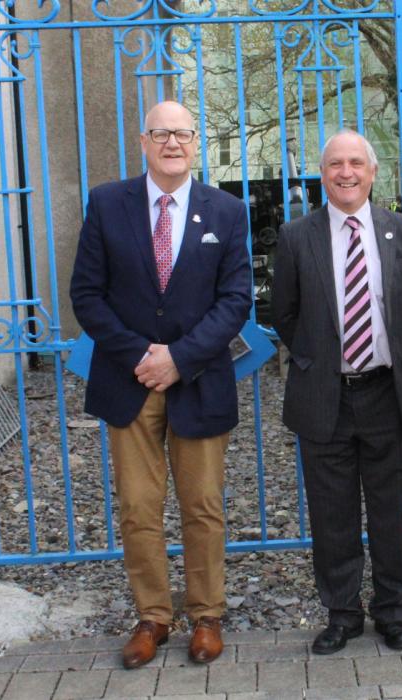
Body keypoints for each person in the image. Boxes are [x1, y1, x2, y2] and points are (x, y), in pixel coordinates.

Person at [69, 101, 251, 668]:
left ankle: (206, 617)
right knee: (138, 506)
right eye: (161, 133)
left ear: (196, 142)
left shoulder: (226, 210)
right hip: (131, 381)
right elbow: (86, 295)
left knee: (201, 504)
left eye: (183, 133)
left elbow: (236, 299)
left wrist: (180, 358)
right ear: (143, 141)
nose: (172, 142)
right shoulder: (107, 204)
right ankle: (152, 617)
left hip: (197, 378)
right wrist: (141, 357)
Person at [270, 129, 402, 654]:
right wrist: (320, 359)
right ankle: (342, 614)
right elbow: (284, 316)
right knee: (332, 512)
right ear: (323, 174)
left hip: (388, 392)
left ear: (373, 171)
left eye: (356, 163)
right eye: (336, 164)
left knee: (390, 509)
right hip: (325, 396)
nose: (346, 172)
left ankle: (391, 611)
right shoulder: (296, 236)